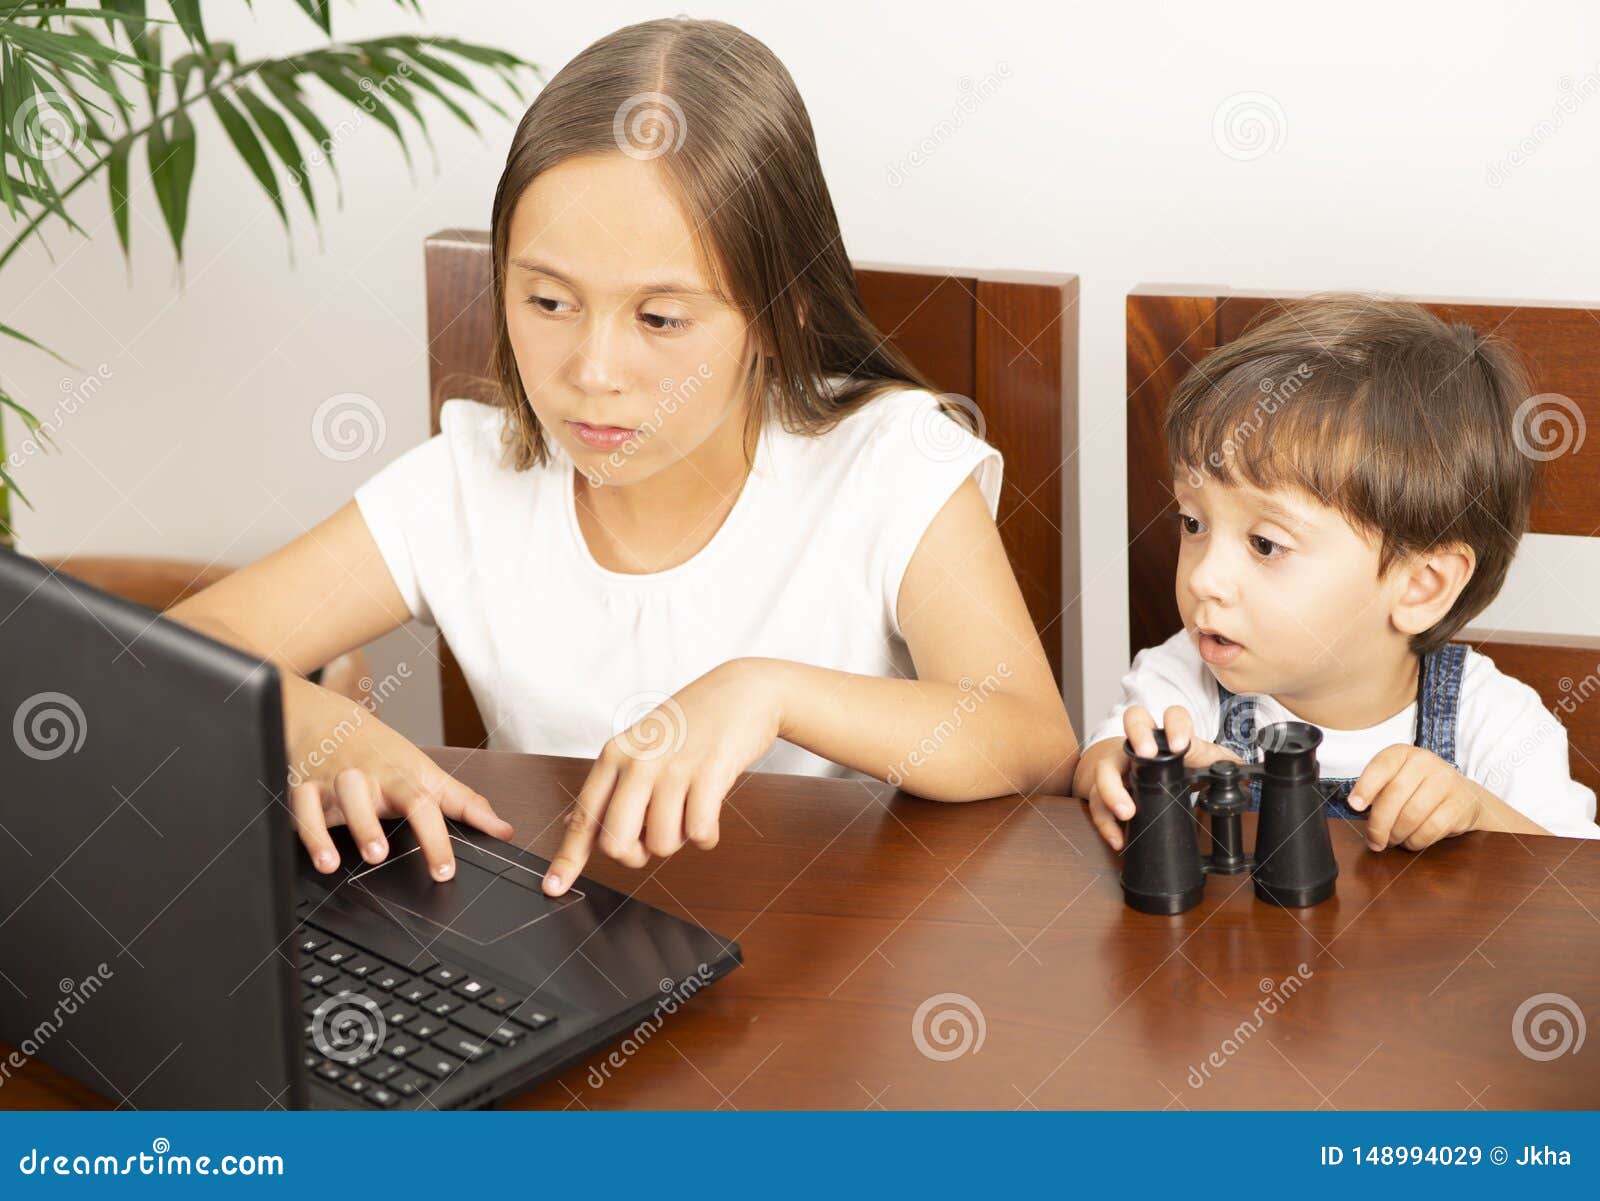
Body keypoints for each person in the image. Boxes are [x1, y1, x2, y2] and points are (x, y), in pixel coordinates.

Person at [168, 17, 1078, 895]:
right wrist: (318, 726)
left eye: (661, 318)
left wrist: (772, 691)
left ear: (781, 314)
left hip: (836, 957)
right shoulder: (467, 480)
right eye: (549, 303)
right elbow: (179, 647)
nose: (592, 373)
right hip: (559, 941)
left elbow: (1031, 740)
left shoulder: (888, 461)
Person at [1077, 295, 1600, 850]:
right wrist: (1124, 770)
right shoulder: (1183, 681)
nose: (1203, 579)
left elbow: (1575, 880)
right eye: (1193, 522)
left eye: (1265, 544)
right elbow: (1099, 767)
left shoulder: (1496, 724)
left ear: (1421, 586)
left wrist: (1479, 811)